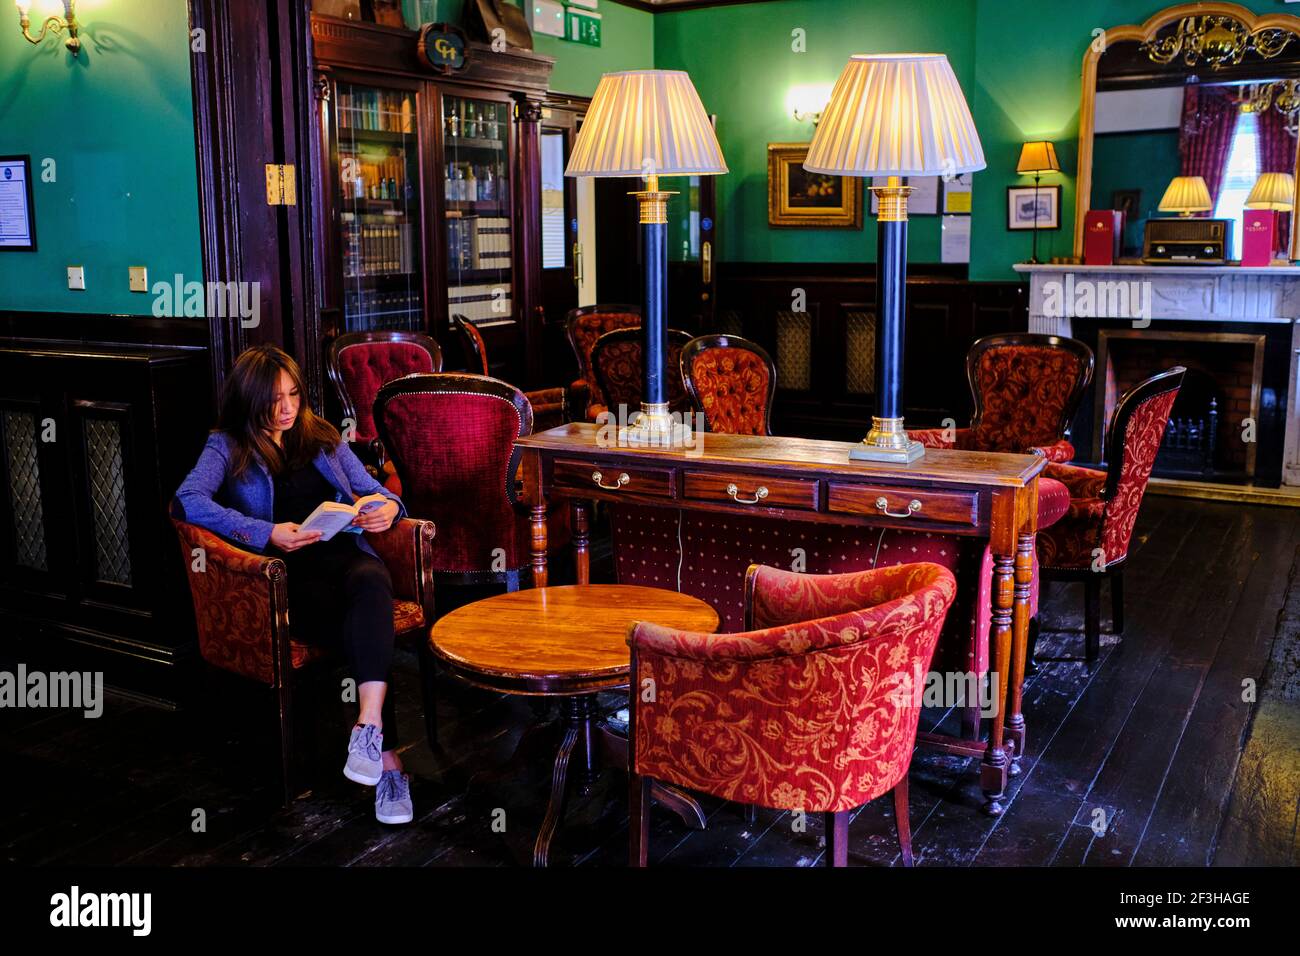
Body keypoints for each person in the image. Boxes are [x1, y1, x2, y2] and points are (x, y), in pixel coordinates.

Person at [176, 344, 413, 825]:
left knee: (370, 579)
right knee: (366, 626)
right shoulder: (227, 444)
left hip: (342, 556)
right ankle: (389, 762)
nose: (287, 409)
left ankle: (366, 728)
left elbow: (379, 492)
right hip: (287, 578)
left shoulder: (322, 436)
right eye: (274, 399)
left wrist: (388, 508)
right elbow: (187, 502)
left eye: (294, 395)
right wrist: (267, 533)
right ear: (249, 399)